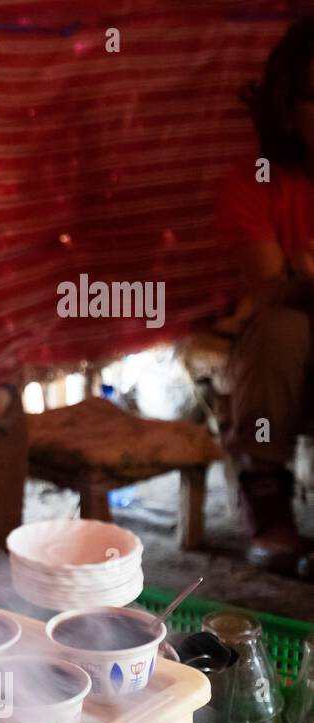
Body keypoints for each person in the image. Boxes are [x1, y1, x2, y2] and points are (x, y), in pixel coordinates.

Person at [217, 16, 314, 577]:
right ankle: (269, 503)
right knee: (283, 326)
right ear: (287, 107)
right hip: (291, 351)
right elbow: (271, 293)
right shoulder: (253, 183)